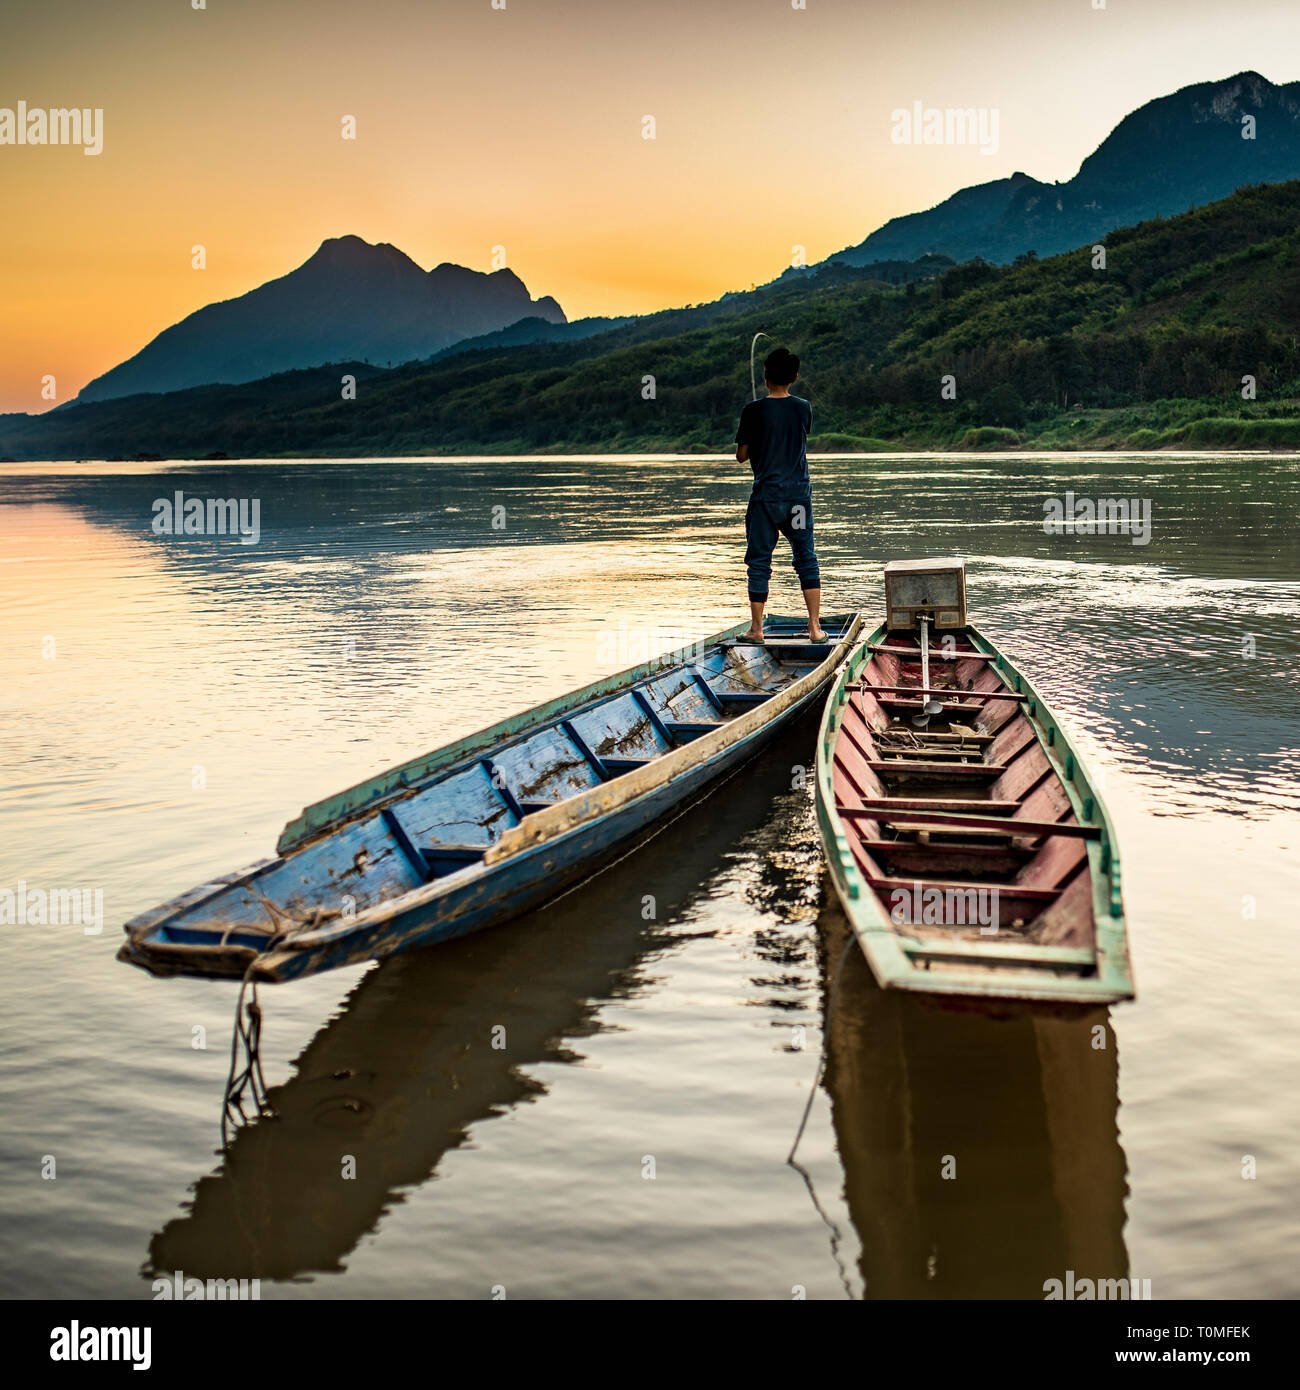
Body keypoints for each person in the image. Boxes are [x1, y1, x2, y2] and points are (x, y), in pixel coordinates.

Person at [734, 346, 824, 643]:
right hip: (798, 498)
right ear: (795, 377)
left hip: (766, 501)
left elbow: (741, 456)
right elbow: (798, 433)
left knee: (759, 560)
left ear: (764, 376)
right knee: (805, 558)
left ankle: (757, 630)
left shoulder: (752, 411)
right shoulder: (803, 407)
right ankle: (814, 628)